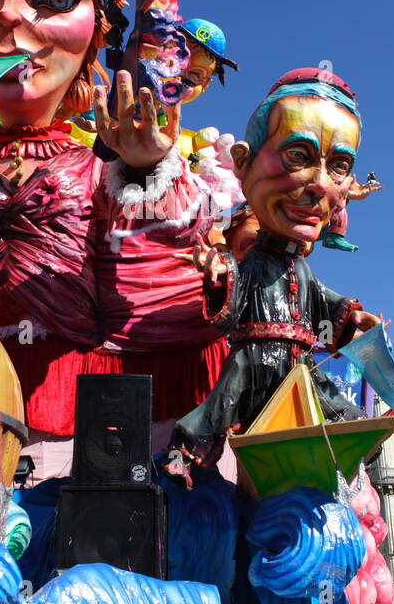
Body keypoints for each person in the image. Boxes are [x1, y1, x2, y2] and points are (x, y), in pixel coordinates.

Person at [0, 0, 230, 458]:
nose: (9, 17)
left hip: (65, 417)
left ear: (97, 25)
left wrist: (149, 165)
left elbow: (172, 250)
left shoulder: (95, 164)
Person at [163, 68, 382, 478]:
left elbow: (322, 301)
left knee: (335, 405)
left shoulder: (300, 267)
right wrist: (219, 274)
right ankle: (184, 454)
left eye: (338, 165)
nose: (319, 185)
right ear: (242, 164)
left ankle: (355, 449)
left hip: (298, 362)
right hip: (251, 356)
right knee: (220, 405)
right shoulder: (256, 260)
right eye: (298, 156)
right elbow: (230, 300)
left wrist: (351, 319)